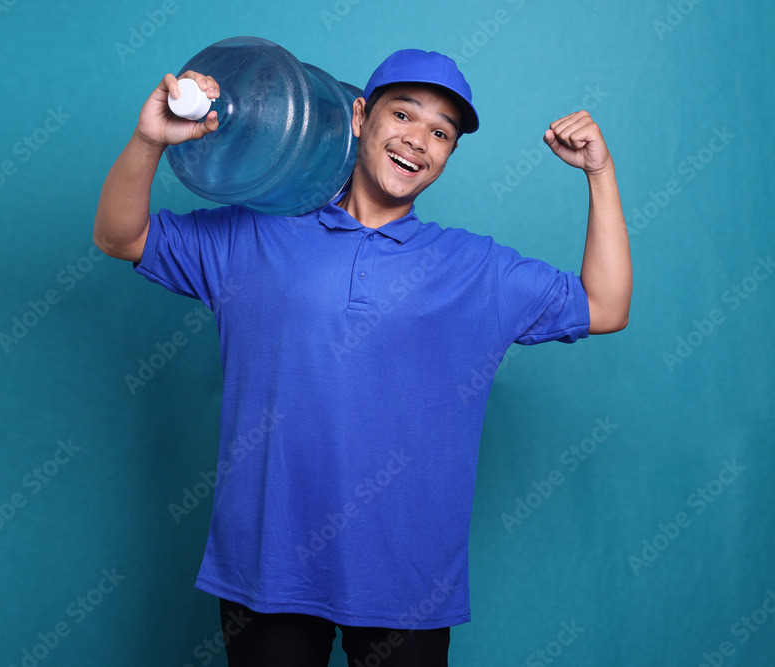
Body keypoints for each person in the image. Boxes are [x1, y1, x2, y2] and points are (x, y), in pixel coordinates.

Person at [93, 48, 631, 667]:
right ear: (357, 117)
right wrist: (149, 140)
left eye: (441, 133)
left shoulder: (476, 269)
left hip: (407, 584)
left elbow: (605, 305)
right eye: (403, 115)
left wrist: (600, 172)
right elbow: (120, 235)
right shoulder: (256, 232)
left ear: (449, 156)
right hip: (267, 573)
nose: (418, 141)